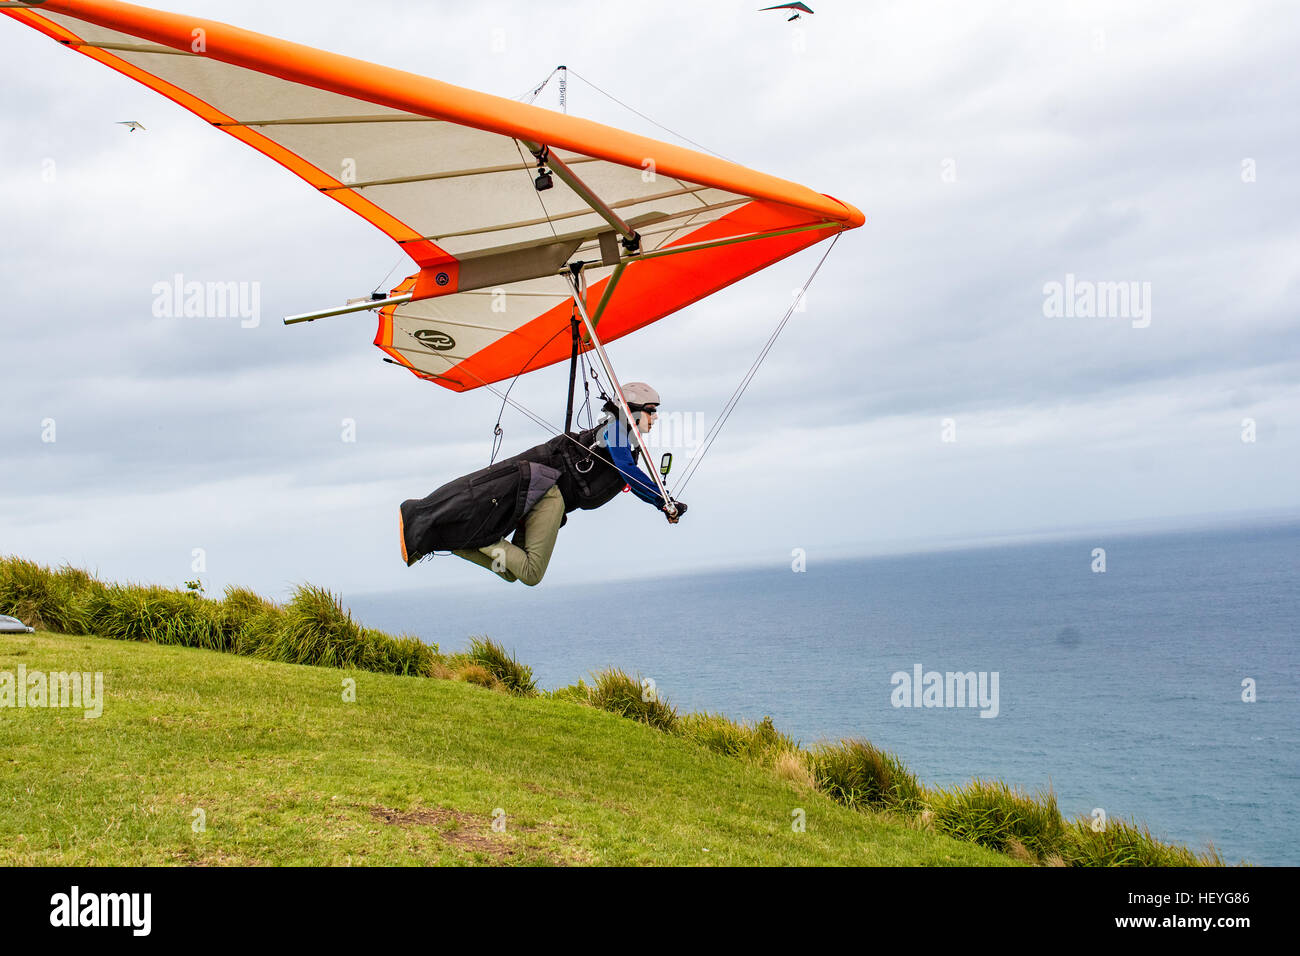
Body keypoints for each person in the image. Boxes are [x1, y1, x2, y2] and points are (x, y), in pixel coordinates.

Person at [399, 382, 686, 586]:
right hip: (549, 495)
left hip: (549, 499)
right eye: (650, 410)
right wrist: (662, 500)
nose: (655, 417)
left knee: (510, 571)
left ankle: (452, 538)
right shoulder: (613, 431)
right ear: (632, 411)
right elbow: (627, 471)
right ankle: (478, 536)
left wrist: (663, 501)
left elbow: (629, 472)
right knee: (531, 573)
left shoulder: (624, 441)